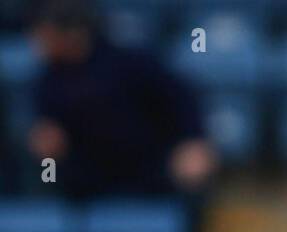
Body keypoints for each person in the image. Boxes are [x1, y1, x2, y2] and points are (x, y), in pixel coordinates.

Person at [28, 0, 217, 197]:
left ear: (73, 33)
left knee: (192, 171)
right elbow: (48, 135)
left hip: (152, 167)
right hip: (89, 178)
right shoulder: (46, 81)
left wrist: (193, 139)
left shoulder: (130, 62)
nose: (38, 43)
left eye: (46, 35)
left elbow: (181, 99)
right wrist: (48, 154)